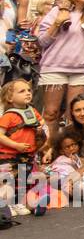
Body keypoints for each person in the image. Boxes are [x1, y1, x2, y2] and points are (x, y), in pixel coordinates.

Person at [35, 0, 84, 144]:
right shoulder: (57, 11)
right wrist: (57, 23)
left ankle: (69, 153)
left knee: (76, 114)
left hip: (80, 69)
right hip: (54, 66)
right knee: (51, 112)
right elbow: (42, 41)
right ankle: (48, 149)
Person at [0, 79, 43, 216]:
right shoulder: (9, 116)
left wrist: (42, 128)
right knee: (8, 181)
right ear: (10, 97)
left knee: (22, 181)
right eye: (22, 91)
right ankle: (6, 205)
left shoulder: (33, 111)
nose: (28, 93)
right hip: (9, 156)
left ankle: (18, 203)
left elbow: (42, 122)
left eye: (29, 90)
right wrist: (15, 145)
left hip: (27, 156)